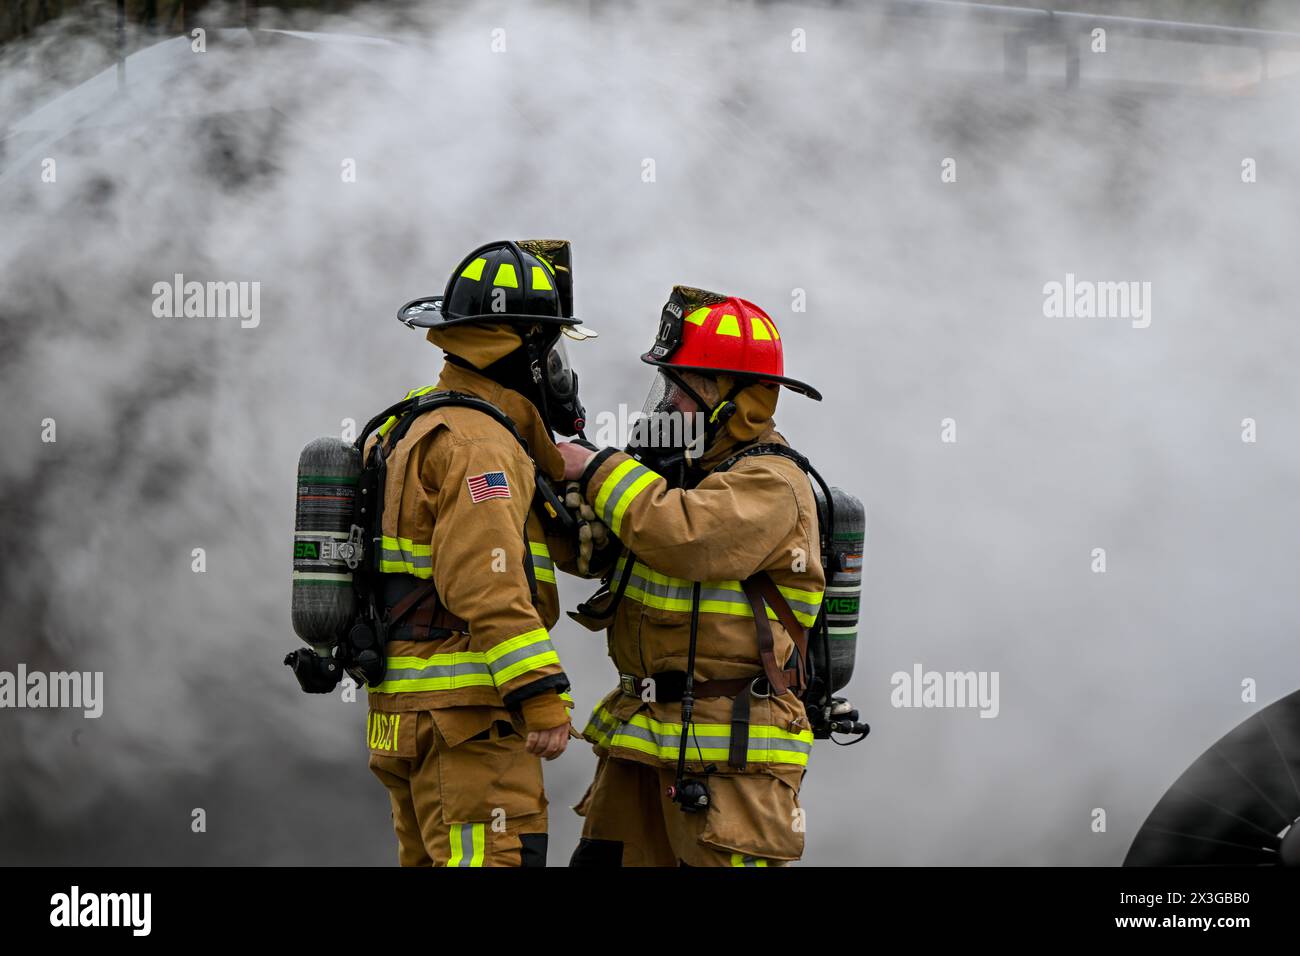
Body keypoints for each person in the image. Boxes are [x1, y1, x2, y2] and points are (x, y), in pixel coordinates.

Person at [558, 285, 826, 867]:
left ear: (735, 399)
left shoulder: (771, 483)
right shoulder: (683, 476)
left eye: (681, 390)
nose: (667, 406)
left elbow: (687, 538)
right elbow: (606, 555)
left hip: (732, 753)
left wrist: (598, 468)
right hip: (644, 734)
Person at [362, 239, 595, 866]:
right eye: (552, 347)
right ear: (520, 349)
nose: (558, 367)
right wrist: (540, 693)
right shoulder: (481, 446)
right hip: (467, 723)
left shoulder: (410, 423)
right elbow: (484, 581)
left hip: (404, 717)